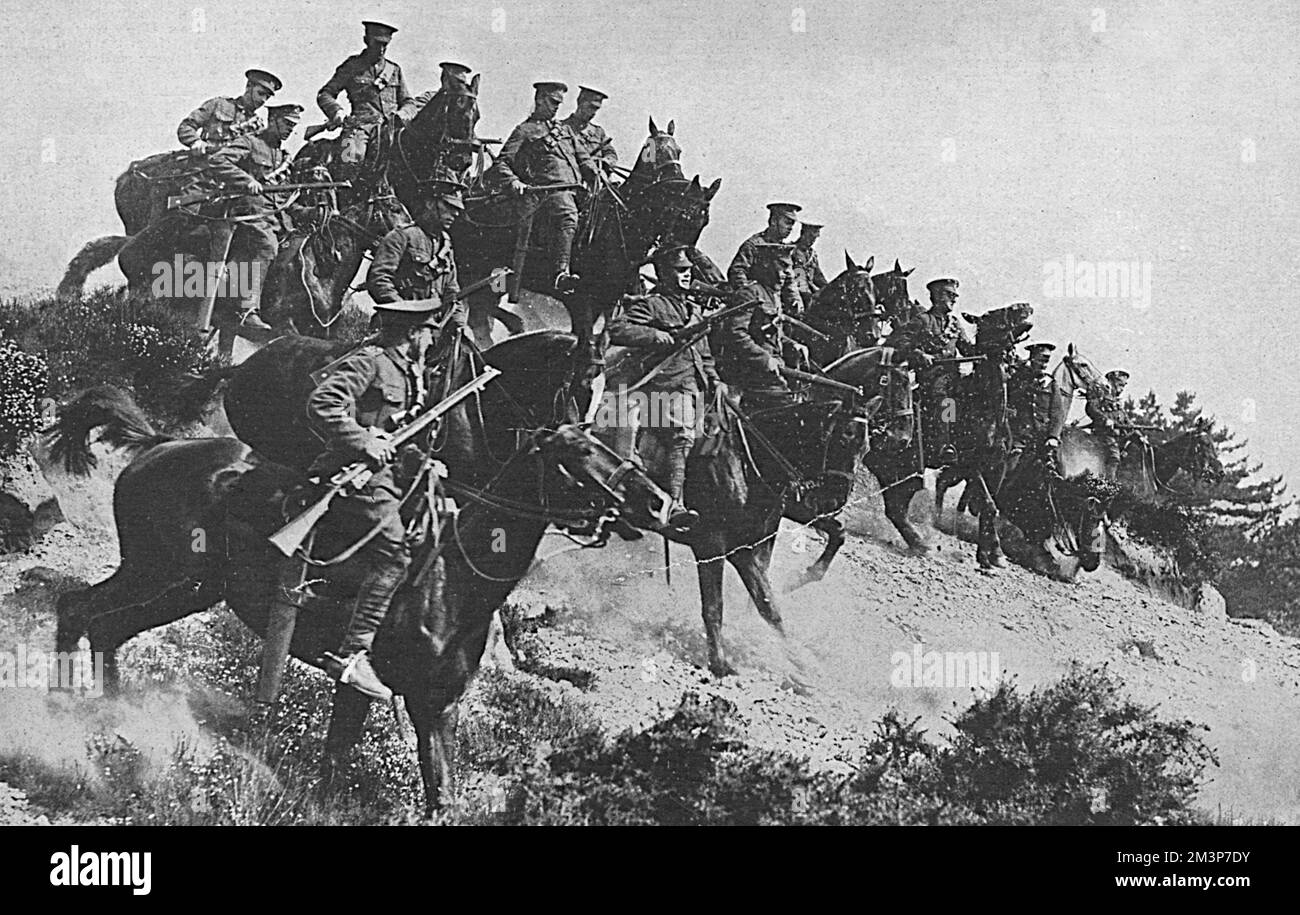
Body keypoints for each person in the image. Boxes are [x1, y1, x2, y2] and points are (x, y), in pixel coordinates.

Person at [306, 298, 446, 701]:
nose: (432, 338)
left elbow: (402, 431)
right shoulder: (371, 361)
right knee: (395, 552)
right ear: (411, 333)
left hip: (389, 473)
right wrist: (363, 440)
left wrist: (426, 462)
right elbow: (323, 403)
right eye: (428, 331)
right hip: (354, 473)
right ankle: (352, 654)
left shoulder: (411, 372)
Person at [608, 246, 723, 531]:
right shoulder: (652, 304)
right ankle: (675, 506)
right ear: (663, 274)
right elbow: (617, 329)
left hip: (694, 385)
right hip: (662, 386)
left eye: (688, 270)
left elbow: (704, 354)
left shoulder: (693, 311)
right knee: (682, 435)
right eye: (680, 271)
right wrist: (654, 334)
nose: (687, 275)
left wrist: (715, 379)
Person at [198, 103, 305, 330]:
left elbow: (284, 196)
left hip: (275, 216)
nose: (289, 130)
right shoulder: (250, 142)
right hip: (245, 211)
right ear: (273, 120)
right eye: (286, 123)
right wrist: (245, 180)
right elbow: (217, 161)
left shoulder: (283, 156)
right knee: (266, 246)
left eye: (293, 126)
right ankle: (247, 310)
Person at [490, 81, 597, 291]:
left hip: (576, 191)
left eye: (559, 103)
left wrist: (597, 175)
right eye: (552, 102)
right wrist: (514, 181)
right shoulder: (524, 130)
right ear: (539, 100)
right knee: (568, 214)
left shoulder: (565, 130)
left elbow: (585, 161)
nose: (556, 107)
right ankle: (561, 273)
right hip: (547, 195)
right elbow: (501, 162)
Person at [367, 180, 467, 338]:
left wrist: (459, 325)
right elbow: (379, 279)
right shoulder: (401, 237)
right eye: (448, 206)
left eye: (456, 209)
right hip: (396, 330)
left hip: (431, 332)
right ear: (429, 203)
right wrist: (408, 314)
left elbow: (452, 291)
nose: (455, 214)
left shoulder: (446, 245)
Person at [888, 277, 973, 463]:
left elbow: (969, 349)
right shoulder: (923, 320)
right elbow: (898, 342)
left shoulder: (955, 324)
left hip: (954, 378)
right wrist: (920, 355)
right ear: (936, 296)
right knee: (946, 401)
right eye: (950, 294)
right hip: (931, 380)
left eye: (955, 295)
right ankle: (945, 445)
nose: (954, 298)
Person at [317, 20, 411, 180]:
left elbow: (408, 101)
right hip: (360, 127)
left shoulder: (394, 70)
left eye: (385, 45)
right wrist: (337, 112)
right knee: (351, 157)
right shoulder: (352, 66)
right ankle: (345, 197)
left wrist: (403, 114)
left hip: (391, 128)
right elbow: (325, 94)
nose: (381, 50)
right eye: (377, 44)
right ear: (367, 40)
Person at [714, 241, 798, 412]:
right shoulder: (750, 293)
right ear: (766, 264)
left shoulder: (773, 296)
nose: (787, 273)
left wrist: (792, 344)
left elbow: (772, 334)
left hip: (773, 371)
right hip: (752, 374)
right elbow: (735, 334)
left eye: (789, 268)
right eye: (782, 266)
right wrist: (764, 358)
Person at [177, 69, 281, 153]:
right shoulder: (219, 105)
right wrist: (195, 142)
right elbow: (186, 126)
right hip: (208, 163)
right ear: (249, 87)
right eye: (260, 93)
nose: (263, 100)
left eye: (267, 97)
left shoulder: (258, 125)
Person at [728, 202, 801, 290]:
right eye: (787, 223)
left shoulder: (784, 250)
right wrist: (749, 291)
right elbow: (737, 272)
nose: (790, 228)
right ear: (774, 221)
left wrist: (795, 301)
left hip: (776, 300)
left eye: (792, 224)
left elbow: (789, 282)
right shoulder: (754, 245)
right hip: (758, 299)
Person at [1009, 342, 1057, 452]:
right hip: (1020, 436)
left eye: (1046, 362)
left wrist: (1053, 436)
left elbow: (1057, 413)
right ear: (1032, 358)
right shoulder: (1018, 379)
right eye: (1040, 361)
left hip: (1044, 438)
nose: (1044, 365)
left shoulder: (1051, 383)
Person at [1086, 368, 1134, 479]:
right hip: (1103, 434)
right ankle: (1109, 487)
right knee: (1114, 457)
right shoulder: (1100, 394)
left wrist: (1138, 434)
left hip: (1118, 436)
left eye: (1123, 386)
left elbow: (1125, 419)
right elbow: (1091, 408)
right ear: (1112, 381)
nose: (1121, 389)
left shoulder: (1116, 400)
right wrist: (1105, 420)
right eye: (1120, 385)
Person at [561, 86, 618, 175]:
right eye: (590, 107)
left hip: (597, 180)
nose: (593, 112)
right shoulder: (562, 128)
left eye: (596, 109)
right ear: (580, 102)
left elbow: (610, 152)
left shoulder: (598, 132)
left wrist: (607, 161)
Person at [790, 218, 828, 312]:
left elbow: (818, 277)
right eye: (810, 237)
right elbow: (799, 281)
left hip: (810, 294)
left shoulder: (812, 255)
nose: (812, 241)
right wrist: (813, 295)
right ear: (803, 233)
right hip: (796, 296)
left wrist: (828, 290)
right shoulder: (792, 251)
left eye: (814, 238)